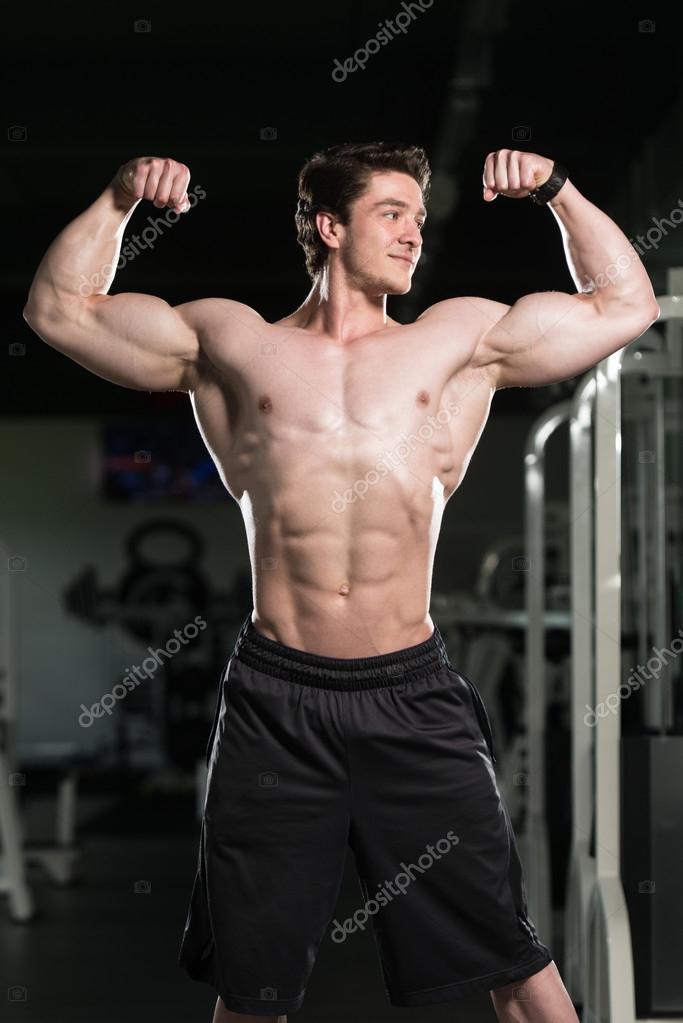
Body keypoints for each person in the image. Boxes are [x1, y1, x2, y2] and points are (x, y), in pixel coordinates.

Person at [23, 142, 658, 1023]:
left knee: (514, 961)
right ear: (329, 225)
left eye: (417, 216)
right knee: (255, 984)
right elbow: (58, 310)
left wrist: (558, 192)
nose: (413, 233)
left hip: (413, 695)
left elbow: (624, 307)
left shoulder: (458, 339)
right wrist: (120, 198)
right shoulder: (232, 341)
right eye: (391, 212)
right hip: (275, 702)